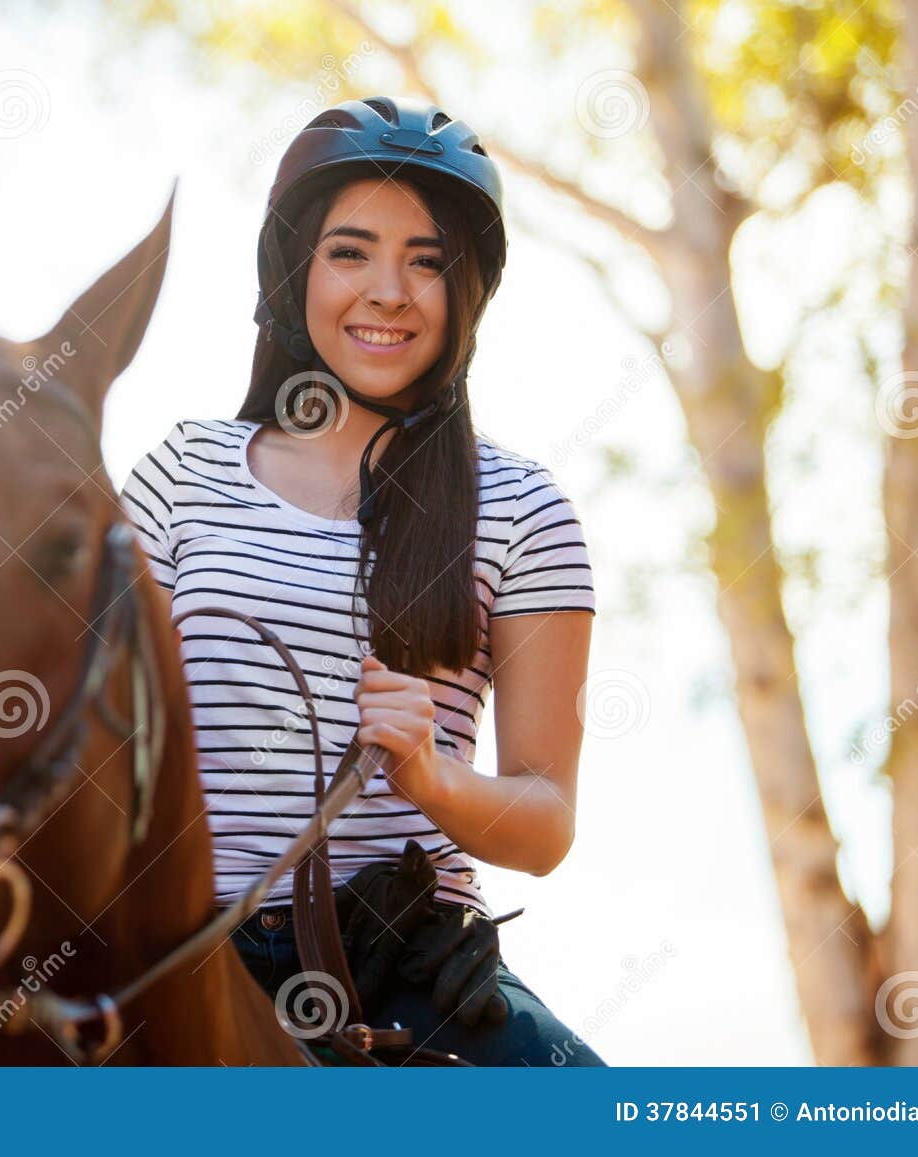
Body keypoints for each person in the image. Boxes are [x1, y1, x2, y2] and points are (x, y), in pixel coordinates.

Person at [117, 96, 604, 1066]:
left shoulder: (524, 507)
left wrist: (431, 775)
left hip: (411, 972)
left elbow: (544, 824)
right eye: (351, 251)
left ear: (467, 290)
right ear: (293, 271)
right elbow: (106, 741)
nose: (388, 289)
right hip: (177, 960)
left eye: (427, 260)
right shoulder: (182, 472)